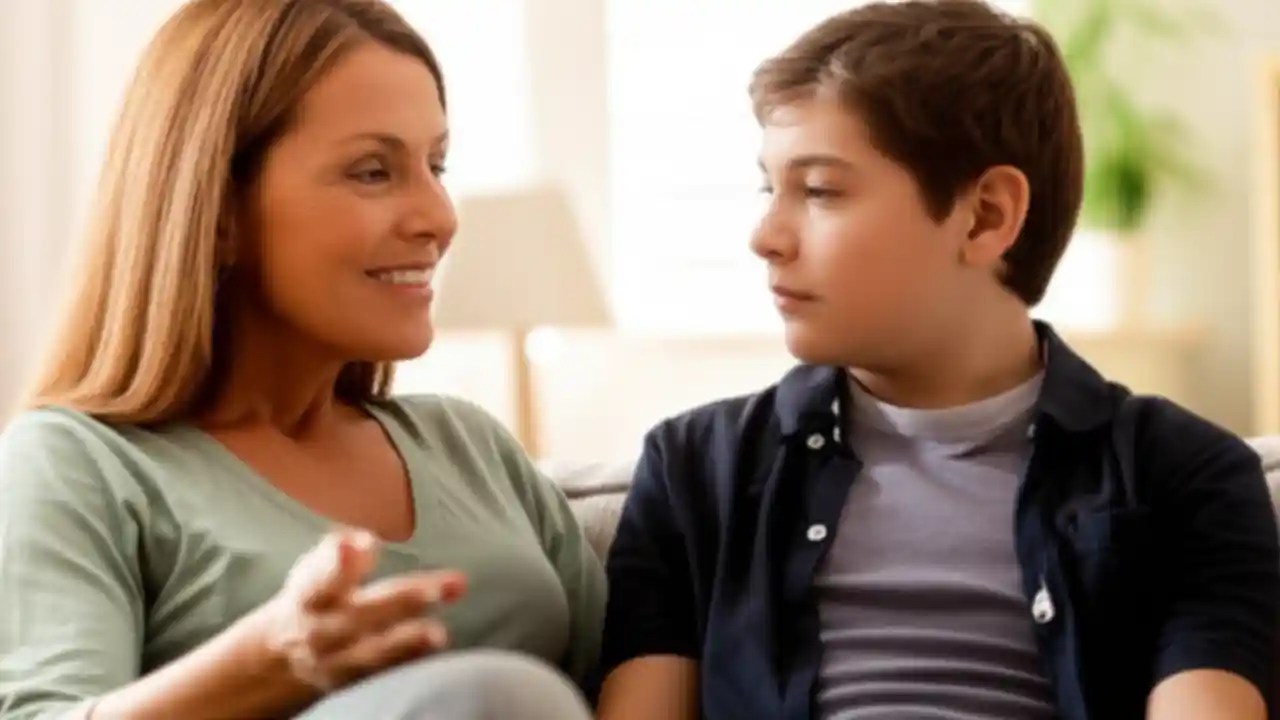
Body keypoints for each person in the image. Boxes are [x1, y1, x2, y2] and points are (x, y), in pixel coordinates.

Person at [597, 2, 1279, 719]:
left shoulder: (1183, 478)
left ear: (985, 215)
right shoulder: (693, 472)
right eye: (772, 188)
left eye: (821, 190)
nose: (765, 236)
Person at [0, 1, 604, 719]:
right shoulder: (80, 463)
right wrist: (265, 662)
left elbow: (641, 672)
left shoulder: (470, 447)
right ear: (219, 210)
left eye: (436, 164)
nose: (439, 217)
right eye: (373, 171)